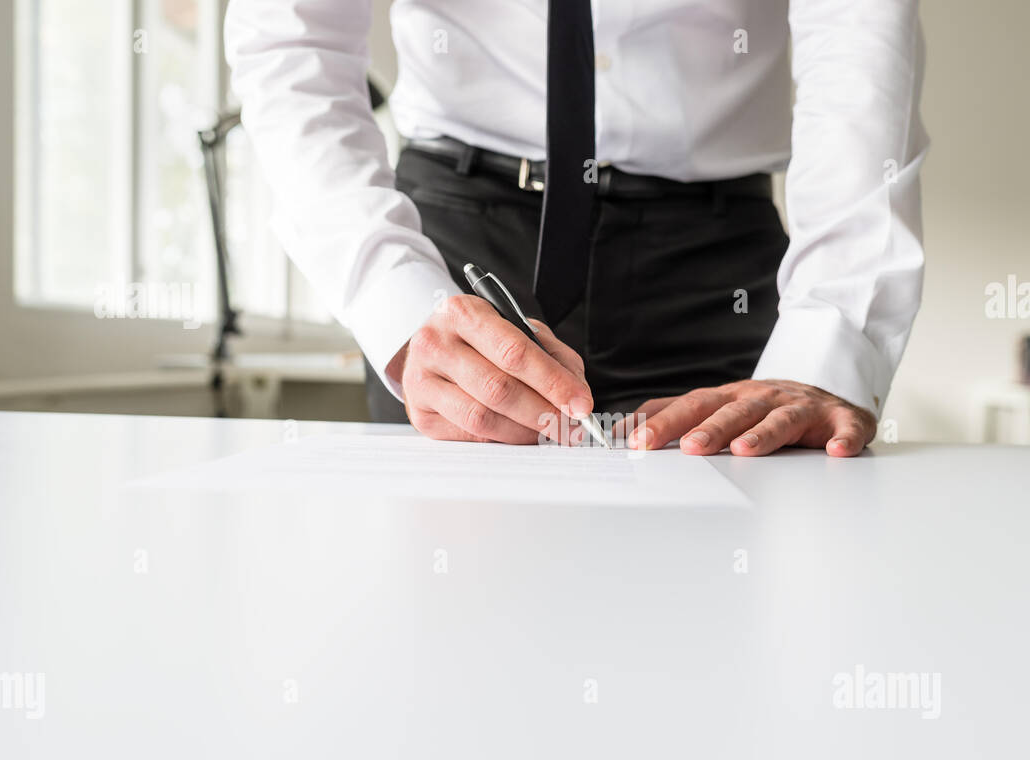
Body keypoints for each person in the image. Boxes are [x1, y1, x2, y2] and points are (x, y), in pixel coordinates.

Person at [224, 0, 927, 456]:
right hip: (460, 259)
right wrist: (396, 303)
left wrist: (828, 339)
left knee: (723, 609)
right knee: (451, 619)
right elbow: (289, 38)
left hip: (717, 267)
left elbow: (859, 32)